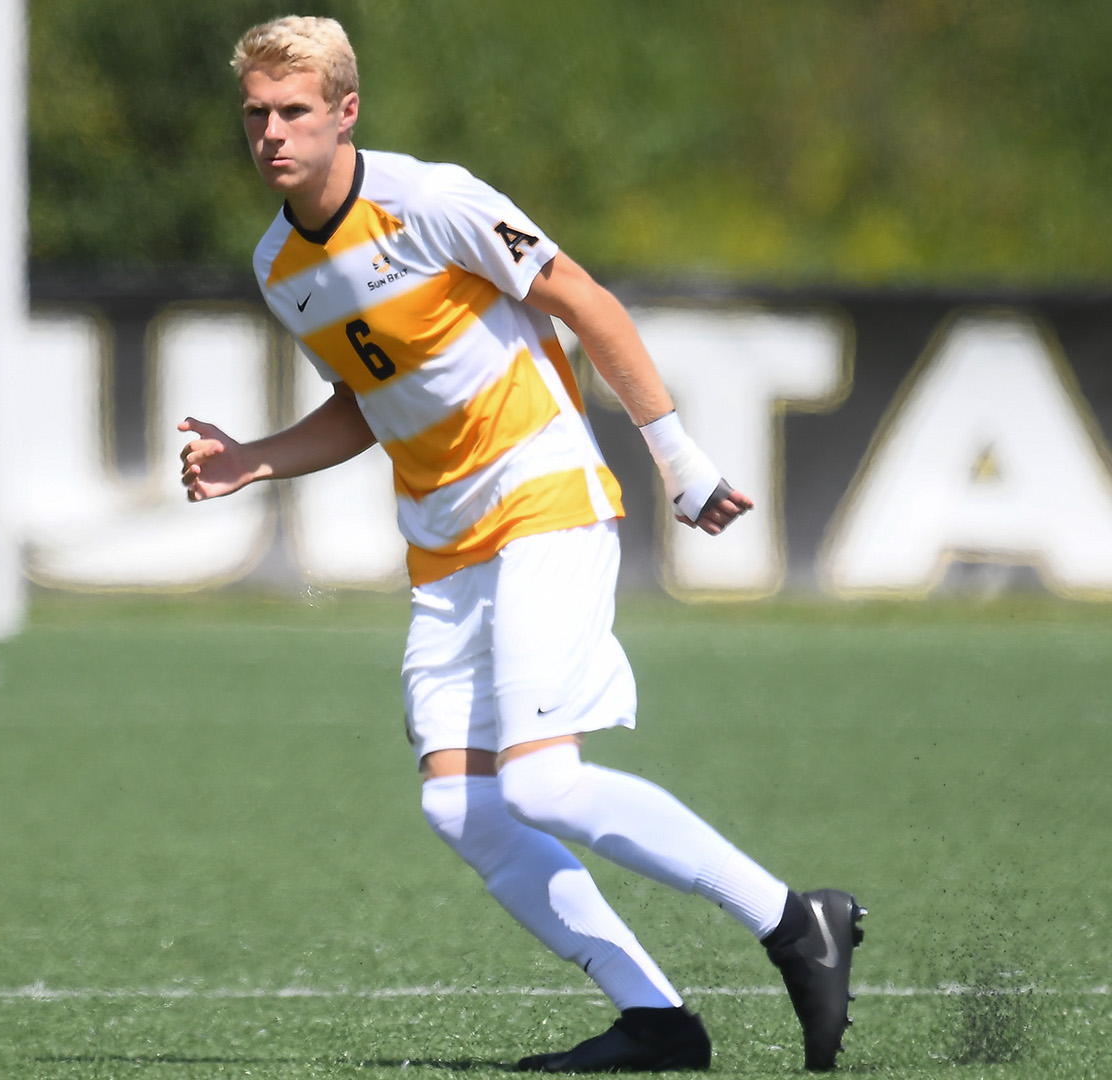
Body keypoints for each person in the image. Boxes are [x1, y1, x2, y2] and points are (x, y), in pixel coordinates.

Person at [179, 16, 864, 1073]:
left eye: (294, 112)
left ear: (346, 112)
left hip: (542, 502)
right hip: (446, 548)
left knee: (541, 784)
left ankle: (791, 920)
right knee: (462, 805)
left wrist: (680, 463)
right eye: (257, 115)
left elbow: (582, 299)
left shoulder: (433, 200)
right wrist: (255, 458)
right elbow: (370, 398)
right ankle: (658, 1023)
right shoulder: (279, 263)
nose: (271, 133)